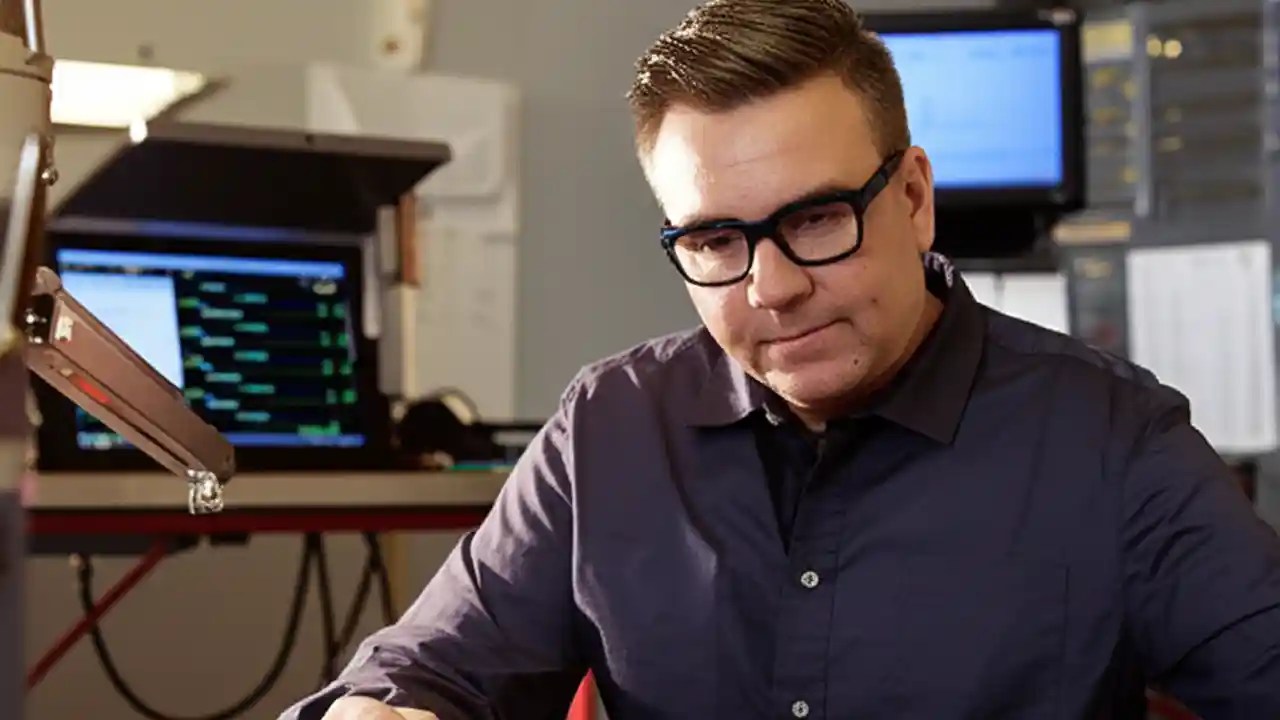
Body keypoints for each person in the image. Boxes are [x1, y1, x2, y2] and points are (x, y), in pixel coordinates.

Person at [285, 1, 1280, 718]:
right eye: (715, 240)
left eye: (816, 220)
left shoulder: (1110, 442)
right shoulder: (612, 427)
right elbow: (426, 671)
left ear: (913, 199)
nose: (771, 288)